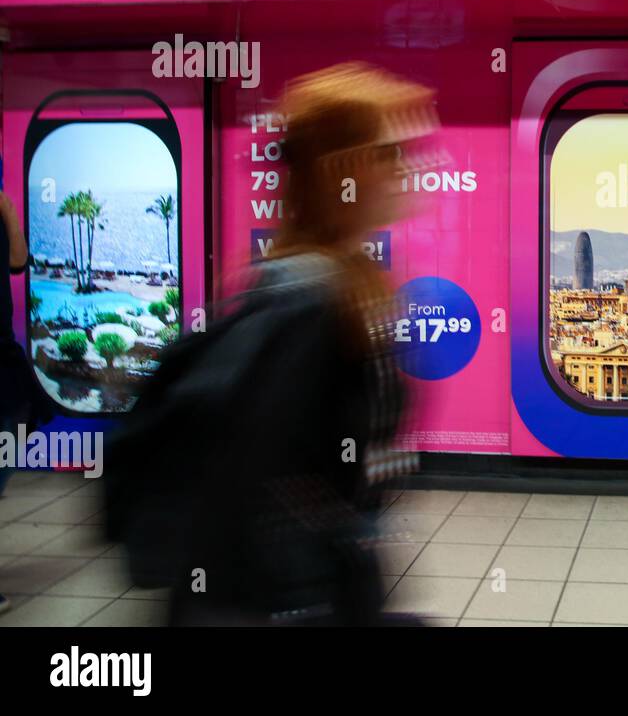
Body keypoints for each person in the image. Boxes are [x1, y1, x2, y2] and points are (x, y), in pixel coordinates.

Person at [152, 63, 437, 625]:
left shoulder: (346, 282)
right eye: (389, 153)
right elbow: (258, 490)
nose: (408, 167)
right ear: (343, 171)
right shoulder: (308, 301)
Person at [0, 189, 36, 615]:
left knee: (17, 427)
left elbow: (17, 261)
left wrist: (8, 212)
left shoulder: (1, 208)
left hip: (2, 352)